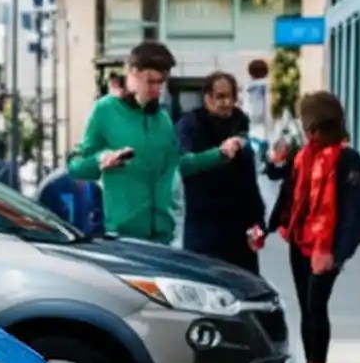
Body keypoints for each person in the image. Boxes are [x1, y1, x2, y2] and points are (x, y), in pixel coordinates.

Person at [69, 41, 243, 244]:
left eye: (161, 83)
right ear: (132, 73)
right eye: (151, 82)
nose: (156, 89)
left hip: (164, 237)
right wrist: (101, 159)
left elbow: (178, 165)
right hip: (123, 237)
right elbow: (76, 167)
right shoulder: (105, 111)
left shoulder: (162, 119)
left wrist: (220, 154)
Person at [255, 91, 360, 363]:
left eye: (307, 123)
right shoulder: (303, 154)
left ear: (318, 125)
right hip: (299, 241)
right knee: (307, 306)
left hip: (325, 247)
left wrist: (337, 254)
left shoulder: (346, 158)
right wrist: (275, 160)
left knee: (316, 305)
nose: (304, 129)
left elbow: (354, 211)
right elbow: (286, 187)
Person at [175, 71, 265, 273]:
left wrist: (258, 224)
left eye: (230, 97)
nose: (225, 103)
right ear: (207, 97)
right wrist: (219, 154)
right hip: (203, 224)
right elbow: (182, 165)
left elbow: (250, 184)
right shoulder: (189, 126)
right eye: (220, 97)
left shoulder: (240, 124)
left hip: (239, 227)